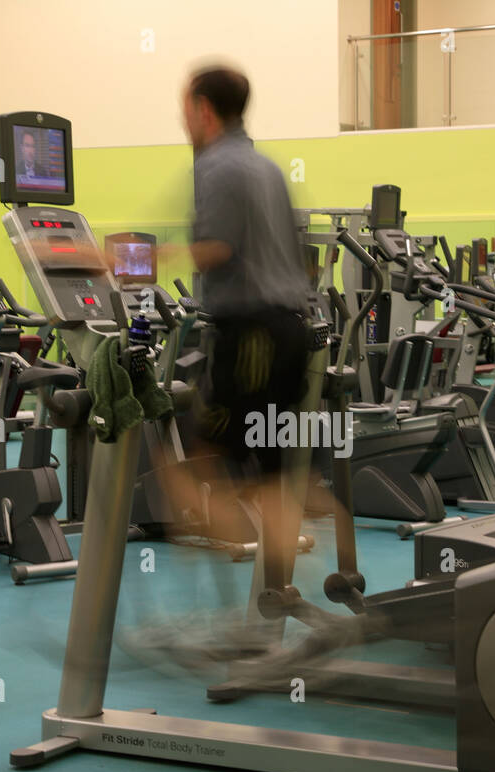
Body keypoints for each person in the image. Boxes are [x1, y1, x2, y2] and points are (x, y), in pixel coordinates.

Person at [172, 66, 312, 588]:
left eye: (185, 107)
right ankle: (280, 594)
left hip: (251, 335)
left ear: (203, 109)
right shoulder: (266, 167)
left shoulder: (216, 166)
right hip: (290, 330)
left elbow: (216, 250)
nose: (182, 119)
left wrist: (134, 258)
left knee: (198, 462)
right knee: (271, 467)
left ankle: (219, 600)